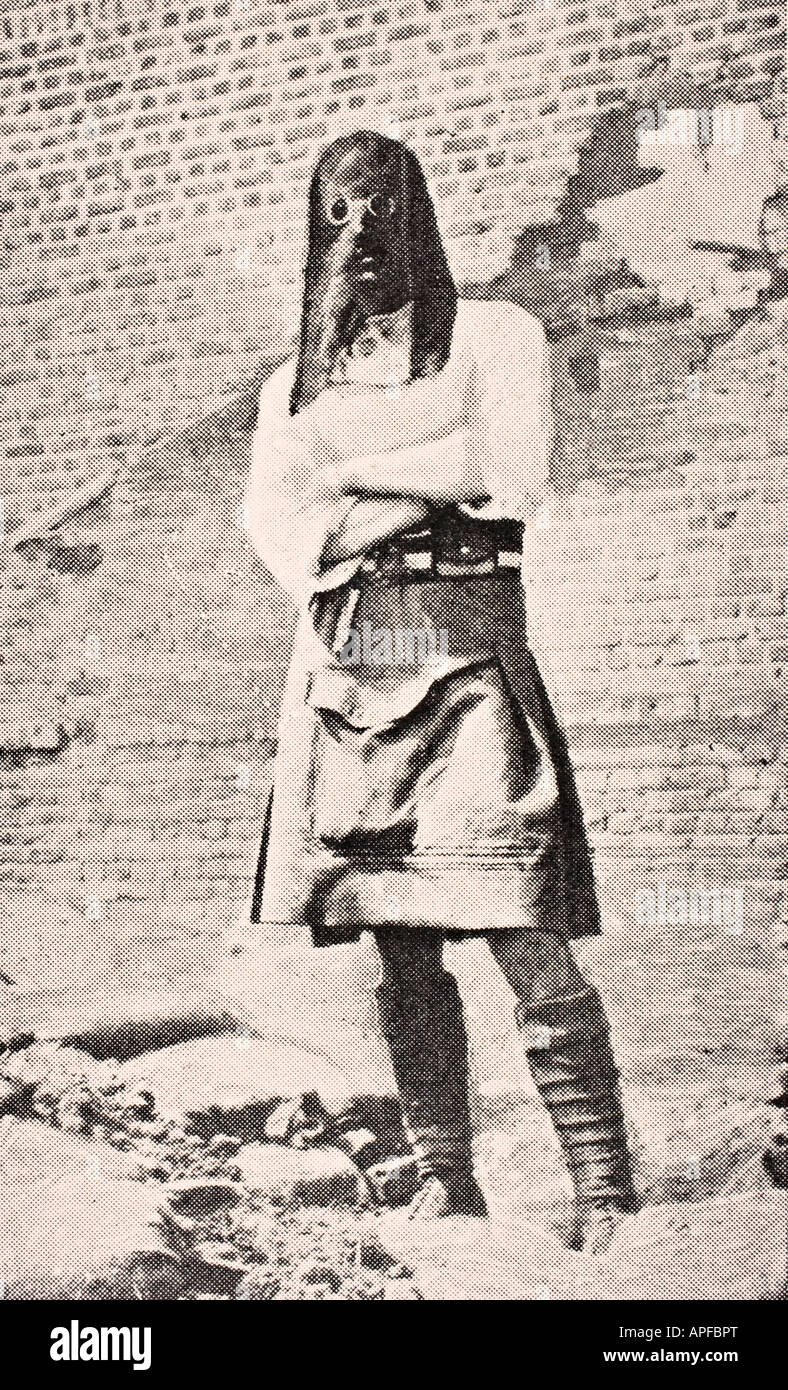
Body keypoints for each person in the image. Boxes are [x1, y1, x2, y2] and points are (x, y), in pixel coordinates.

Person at [243, 130, 638, 1252]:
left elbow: (505, 475)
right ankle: (444, 1178)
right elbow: (279, 528)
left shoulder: (495, 337)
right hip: (347, 651)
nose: (360, 233)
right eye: (335, 213)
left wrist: (352, 478)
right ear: (315, 230)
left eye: (378, 207)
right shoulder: (293, 383)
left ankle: (603, 1190)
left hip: (465, 635)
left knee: (518, 917)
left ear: (414, 214)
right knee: (395, 932)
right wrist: (417, 485)